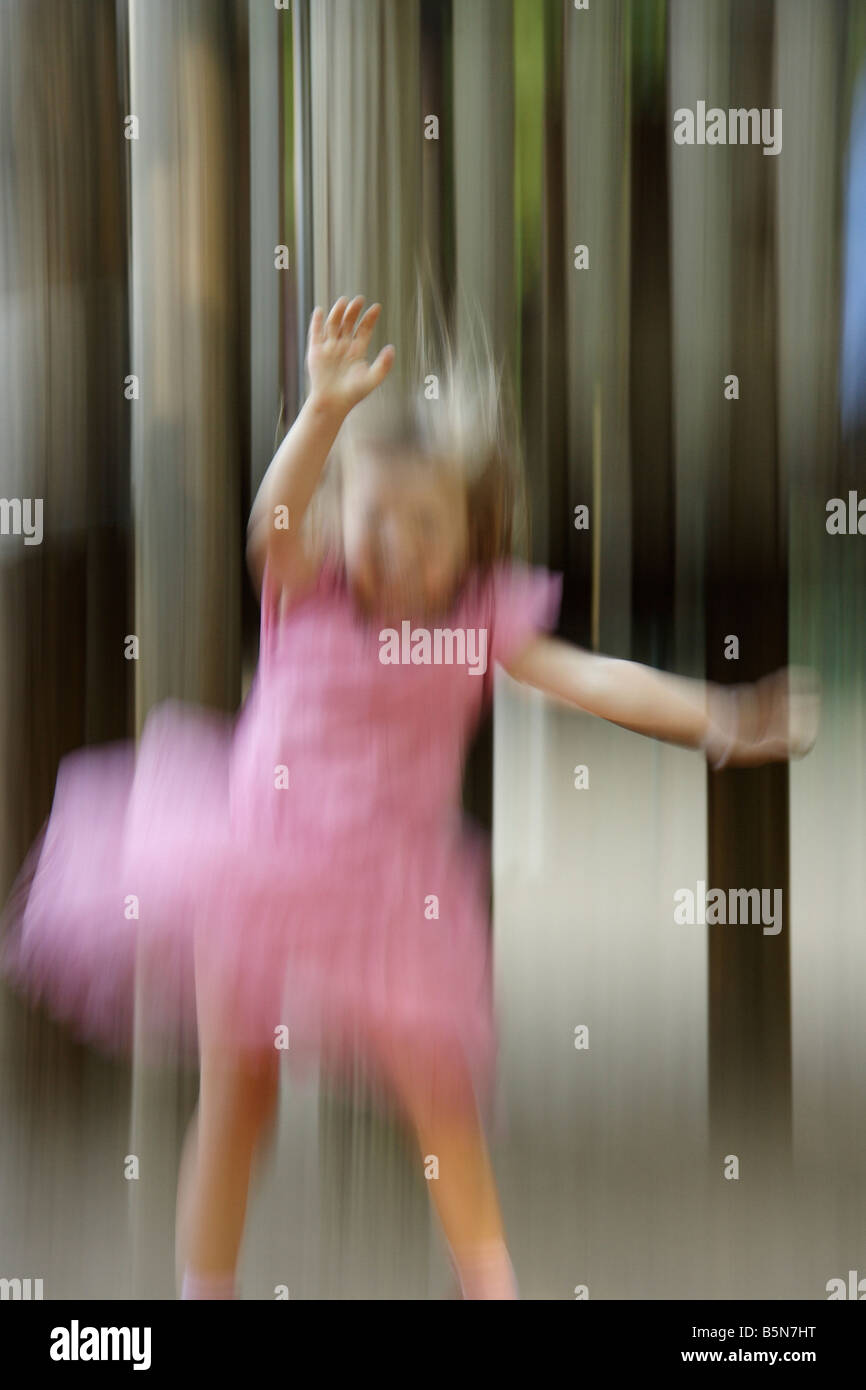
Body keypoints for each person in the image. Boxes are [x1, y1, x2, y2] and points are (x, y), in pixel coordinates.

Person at [0, 296, 819, 1300]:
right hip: (253, 863)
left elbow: (595, 677)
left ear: (472, 534)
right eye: (371, 515)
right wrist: (322, 417)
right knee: (237, 1098)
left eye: (422, 522)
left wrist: (719, 718)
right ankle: (200, 1290)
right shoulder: (309, 594)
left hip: (396, 894)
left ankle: (489, 1285)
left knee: (440, 1098)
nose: (391, 541)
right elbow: (273, 524)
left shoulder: (482, 618)